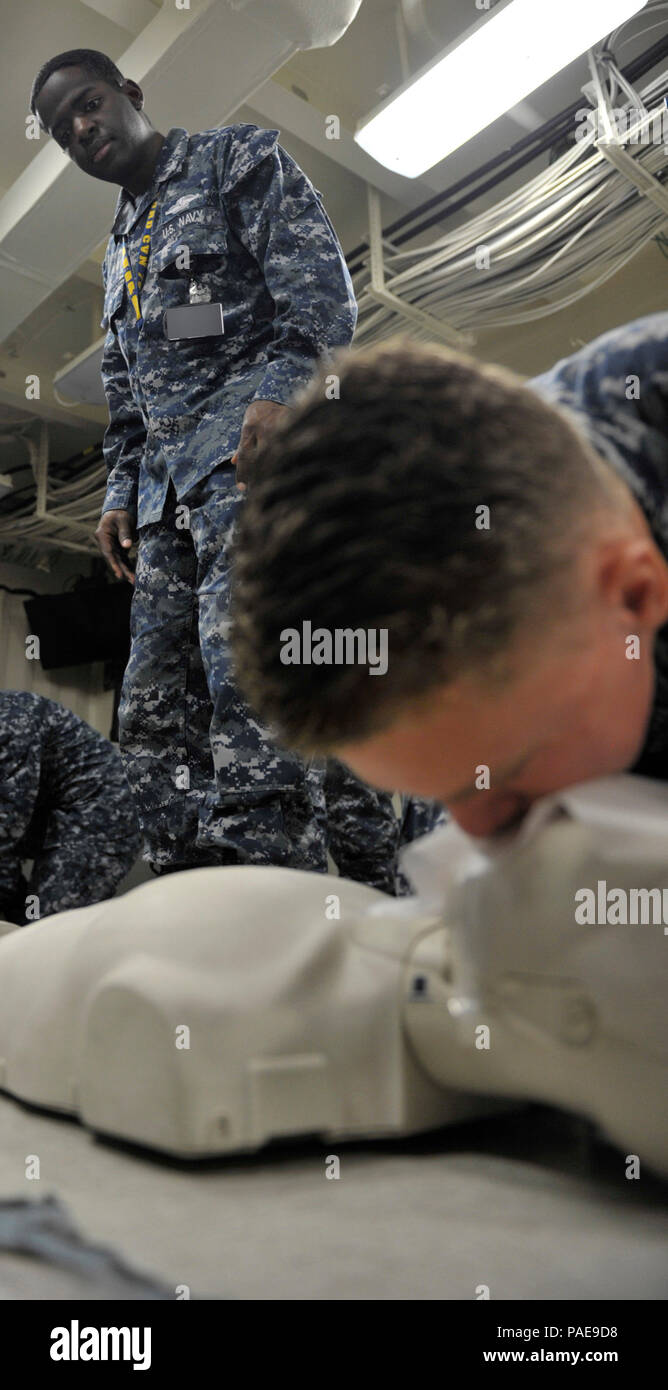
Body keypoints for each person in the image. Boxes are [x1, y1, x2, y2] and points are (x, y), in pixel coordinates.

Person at [30, 48, 443, 887]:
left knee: (256, 671)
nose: (80, 130)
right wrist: (118, 490)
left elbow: (320, 294)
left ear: (129, 92)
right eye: (63, 130)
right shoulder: (119, 252)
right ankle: (184, 880)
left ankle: (287, 873)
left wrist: (280, 396)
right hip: (165, 508)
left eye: (89, 104)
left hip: (252, 472)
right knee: (153, 707)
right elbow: (128, 388)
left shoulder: (232, 161)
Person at [230, 313, 668, 838]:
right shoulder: (471, 756)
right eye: (436, 793)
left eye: (509, 782)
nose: (481, 841)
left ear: (635, 595)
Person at [0, 691, 139, 924]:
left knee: (49, 926)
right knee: (26, 919)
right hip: (45, 815)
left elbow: (8, 823)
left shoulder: (10, 723)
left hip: (100, 812)